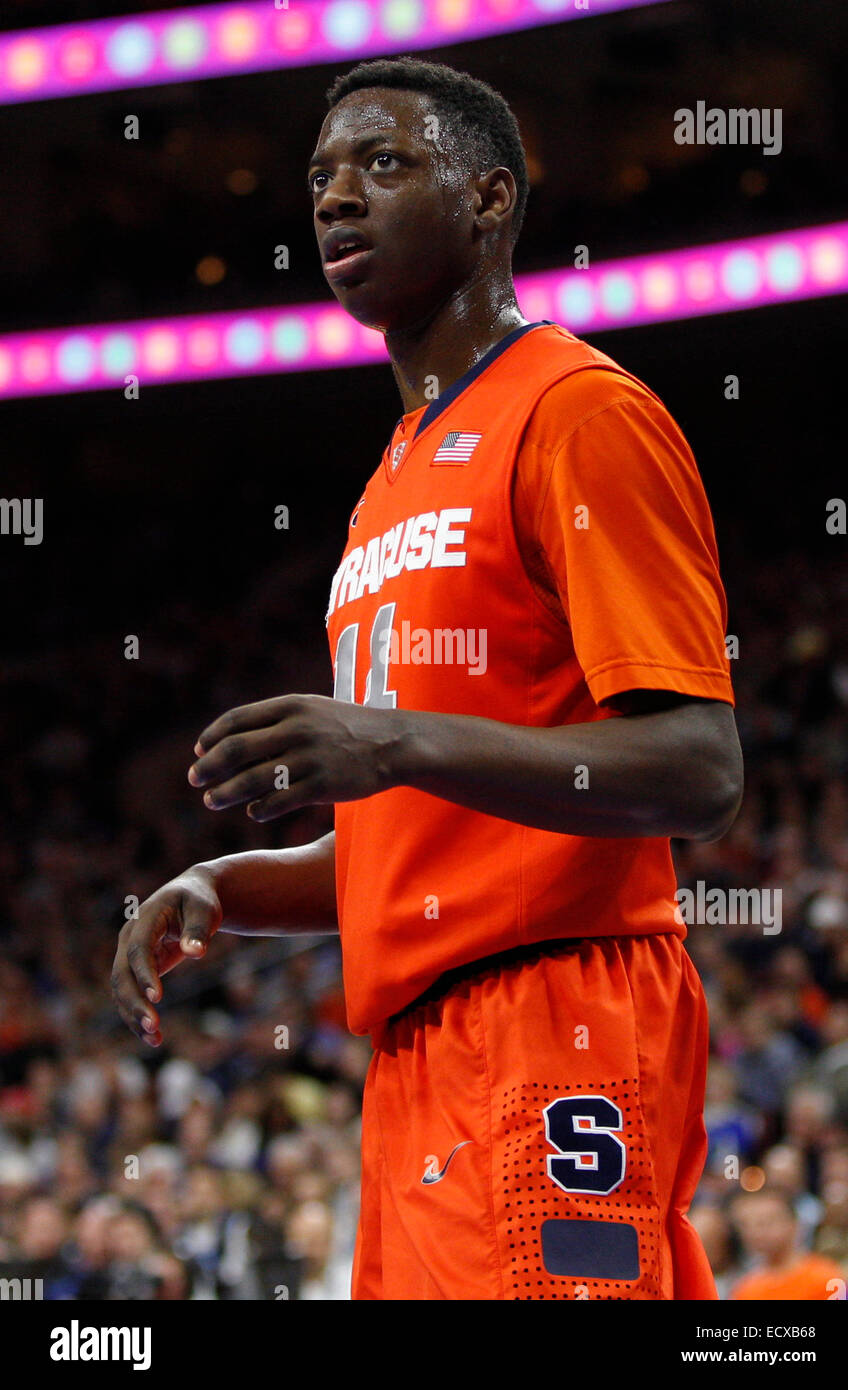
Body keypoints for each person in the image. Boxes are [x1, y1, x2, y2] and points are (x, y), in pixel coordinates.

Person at [112, 56, 743, 1300]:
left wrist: (392, 744)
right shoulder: (386, 484)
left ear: (489, 198)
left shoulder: (575, 413)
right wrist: (221, 886)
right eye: (320, 178)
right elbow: (426, 844)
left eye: (383, 164)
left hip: (555, 1009)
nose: (336, 198)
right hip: (414, 1053)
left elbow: (696, 765)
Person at [729, 1189, 844, 1300]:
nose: (756, 1233)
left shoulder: (824, 1277)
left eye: (767, 1223)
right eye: (748, 1225)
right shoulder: (746, 1287)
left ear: (794, 1224)